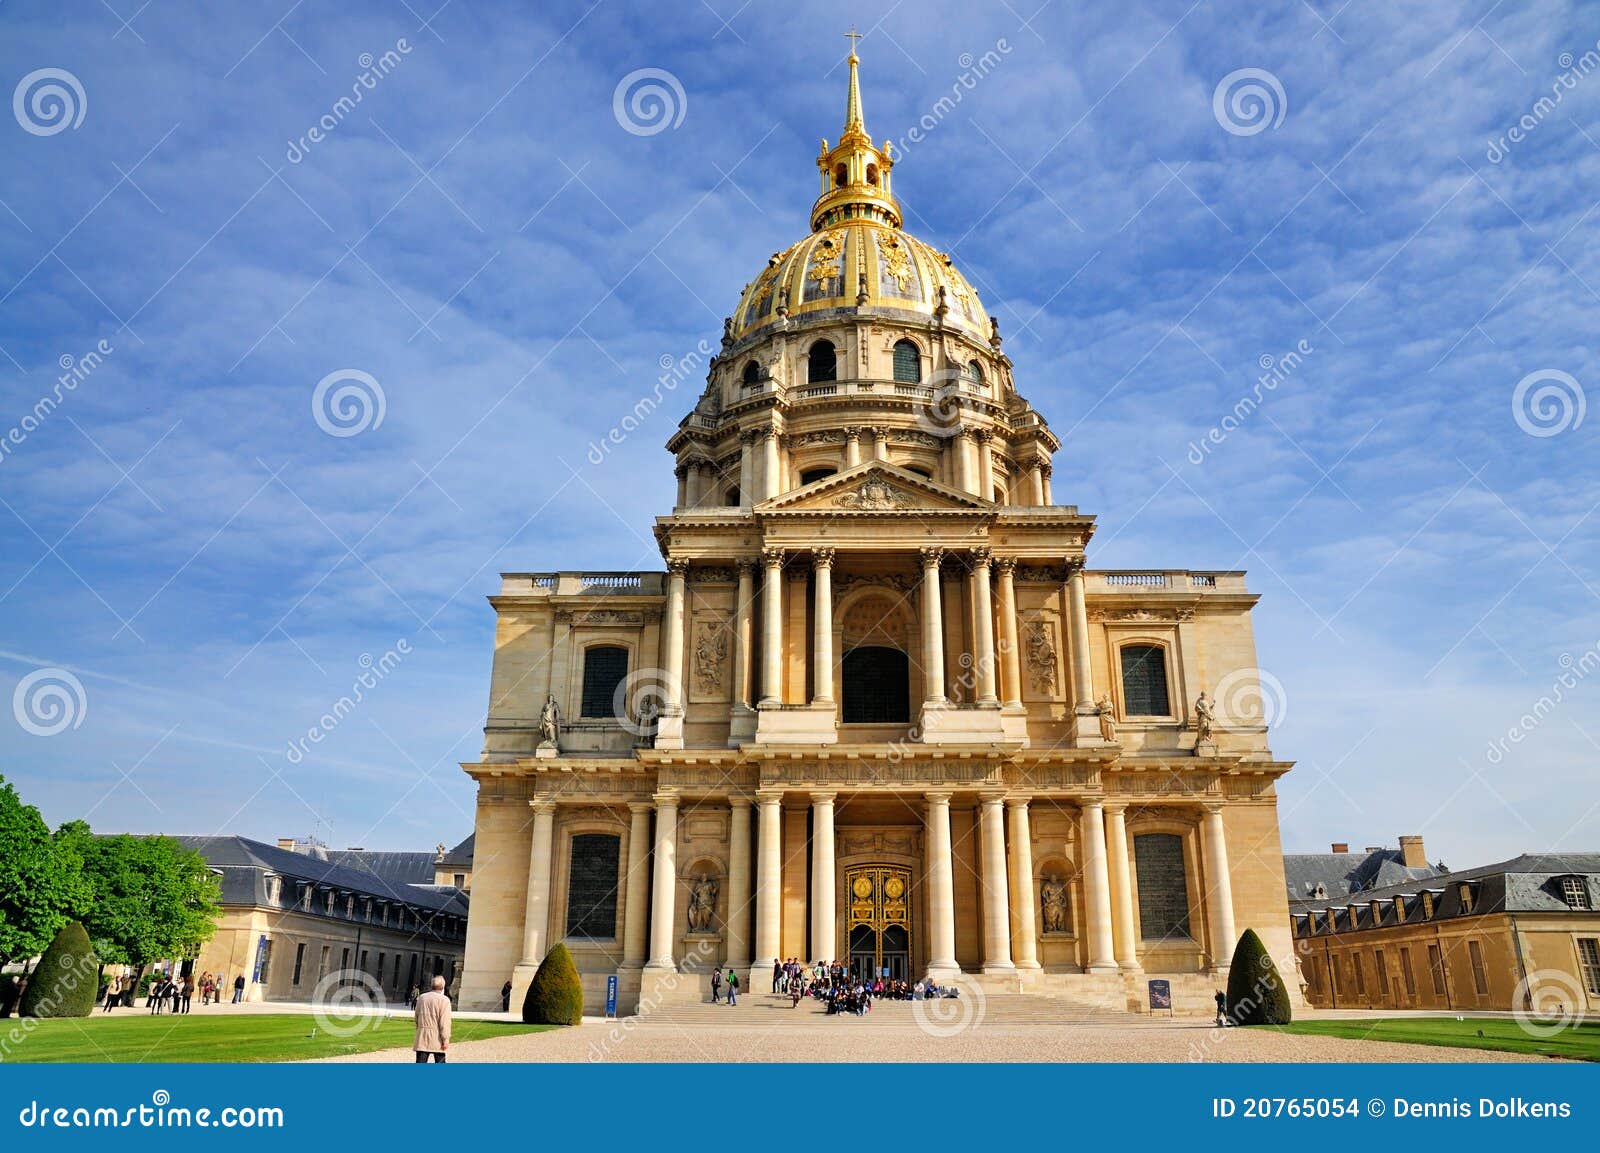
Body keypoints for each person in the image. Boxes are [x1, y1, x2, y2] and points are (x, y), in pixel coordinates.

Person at [413, 975, 451, 1063]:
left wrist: (419, 1028)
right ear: (443, 986)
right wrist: (445, 1039)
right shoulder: (444, 1000)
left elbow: (416, 1016)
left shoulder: (422, 998)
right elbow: (445, 1022)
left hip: (422, 1035)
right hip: (437, 1037)